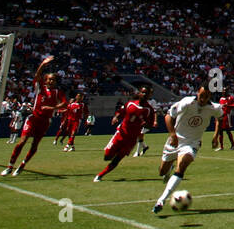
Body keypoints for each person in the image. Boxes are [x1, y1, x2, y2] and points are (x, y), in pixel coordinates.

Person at [153, 84, 223, 214]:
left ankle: (161, 200)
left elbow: (220, 118)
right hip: (175, 141)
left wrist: (216, 136)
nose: (203, 98)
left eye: (206, 96)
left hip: (192, 143)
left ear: (210, 96)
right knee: (162, 172)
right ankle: (168, 172)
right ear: (197, 93)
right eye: (201, 95)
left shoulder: (215, 108)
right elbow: (168, 116)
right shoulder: (187, 102)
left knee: (183, 165)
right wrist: (172, 134)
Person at [2, 57, 67, 177]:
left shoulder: (58, 92)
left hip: (45, 121)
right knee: (21, 142)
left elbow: (64, 103)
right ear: (46, 80)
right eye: (49, 79)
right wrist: (43, 64)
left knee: (34, 145)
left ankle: (22, 164)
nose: (51, 81)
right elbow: (37, 75)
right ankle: (10, 166)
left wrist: (52, 108)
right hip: (33, 118)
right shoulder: (40, 88)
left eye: (53, 80)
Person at [95, 84, 155, 181]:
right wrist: (116, 117)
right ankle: (116, 151)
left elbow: (150, 125)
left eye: (146, 93)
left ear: (149, 96)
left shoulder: (149, 110)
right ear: (139, 93)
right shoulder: (131, 104)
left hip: (131, 139)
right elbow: (121, 111)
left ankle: (100, 175)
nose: (144, 94)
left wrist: (144, 124)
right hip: (121, 134)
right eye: (143, 92)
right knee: (107, 157)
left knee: (117, 159)